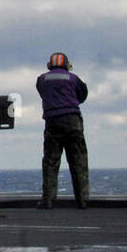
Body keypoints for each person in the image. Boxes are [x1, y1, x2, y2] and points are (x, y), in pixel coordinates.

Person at [36, 52, 90, 209]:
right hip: (73, 120)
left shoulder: (42, 79)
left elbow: (42, 93)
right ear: (67, 65)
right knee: (78, 160)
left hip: (52, 121)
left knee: (51, 161)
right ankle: (82, 200)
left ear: (49, 65)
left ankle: (48, 199)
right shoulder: (73, 78)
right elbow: (82, 95)